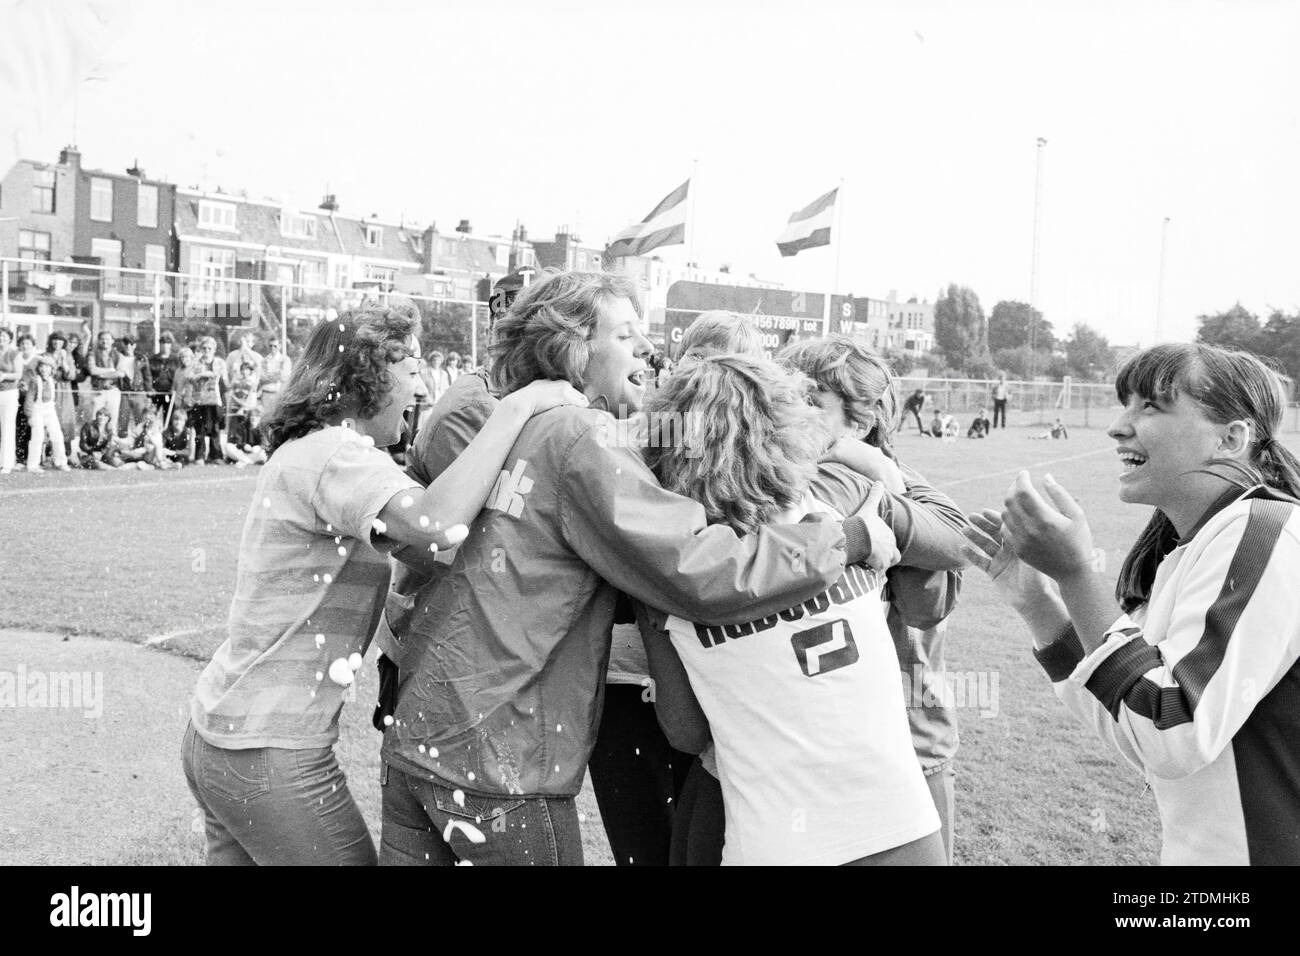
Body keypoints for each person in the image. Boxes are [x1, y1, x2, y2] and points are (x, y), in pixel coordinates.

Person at [379, 271, 881, 867]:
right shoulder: (580, 435)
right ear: (573, 347)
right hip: (499, 759)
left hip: (423, 736)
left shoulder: (517, 421)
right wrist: (841, 541)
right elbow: (694, 568)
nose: (649, 348)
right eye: (626, 334)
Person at [183, 305, 587, 866]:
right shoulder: (337, 455)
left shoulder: (314, 453)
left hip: (222, 736)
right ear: (367, 376)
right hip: (268, 747)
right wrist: (516, 408)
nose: (420, 385)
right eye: (411, 368)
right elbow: (436, 525)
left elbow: (431, 549)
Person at [963, 343, 1300, 865]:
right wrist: (1038, 602)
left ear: (1232, 438)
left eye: (1151, 406)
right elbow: (1136, 727)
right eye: (1127, 405)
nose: (1119, 426)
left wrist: (1077, 574)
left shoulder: (1266, 533)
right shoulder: (1191, 548)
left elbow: (1173, 730)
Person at [637, 353, 943, 865]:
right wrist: (883, 472)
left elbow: (686, 732)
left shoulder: (667, 575)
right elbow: (953, 541)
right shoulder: (845, 509)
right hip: (903, 829)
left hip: (779, 842)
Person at [781, 334, 969, 862]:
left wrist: (885, 483)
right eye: (786, 397)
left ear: (860, 424)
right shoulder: (802, 481)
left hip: (911, 742)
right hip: (834, 744)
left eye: (811, 403)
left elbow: (928, 601)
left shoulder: (900, 490)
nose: (791, 413)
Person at [22, 356, 72, 472]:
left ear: (51, 369)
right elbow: (29, 398)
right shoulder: (35, 380)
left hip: (50, 409)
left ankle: (60, 462)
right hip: (37, 409)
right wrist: (29, 415)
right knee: (38, 436)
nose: (44, 369)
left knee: (57, 436)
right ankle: (33, 465)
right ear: (38, 368)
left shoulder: (52, 380)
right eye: (42, 367)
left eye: (47, 367)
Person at [189, 336, 228, 462]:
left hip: (216, 399)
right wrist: (202, 375)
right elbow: (189, 377)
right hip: (199, 400)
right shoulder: (195, 362)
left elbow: (224, 380)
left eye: (209, 348)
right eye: (204, 348)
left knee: (215, 427)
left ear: (214, 349)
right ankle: (199, 456)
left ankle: (215, 455)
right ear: (201, 349)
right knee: (200, 428)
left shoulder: (220, 362)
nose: (206, 351)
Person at [87, 330, 127, 436]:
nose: (105, 341)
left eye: (107, 339)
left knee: (112, 419)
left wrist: (101, 374)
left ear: (112, 341)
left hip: (113, 391)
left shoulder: (118, 355)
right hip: (98, 391)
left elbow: (121, 373)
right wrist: (111, 371)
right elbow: (92, 370)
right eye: (102, 339)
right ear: (99, 341)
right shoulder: (93, 353)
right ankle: (94, 442)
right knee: (96, 418)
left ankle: (110, 445)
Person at [0, 328, 21, 474]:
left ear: (9, 339)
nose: (1, 339)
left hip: (9, 393)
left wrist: (4, 376)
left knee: (7, 427)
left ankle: (7, 464)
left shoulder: (14, 354)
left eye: (4, 336)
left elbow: (18, 374)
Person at [149, 332, 180, 415]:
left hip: (170, 393)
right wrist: (150, 388)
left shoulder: (176, 360)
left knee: (169, 418)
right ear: (160, 344)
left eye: (168, 343)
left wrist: (176, 389)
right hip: (155, 393)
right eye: (163, 343)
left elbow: (179, 376)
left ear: (171, 344)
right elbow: (148, 376)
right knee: (151, 417)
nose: (165, 345)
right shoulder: (152, 359)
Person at [259, 338, 291, 419]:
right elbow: (261, 377)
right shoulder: (264, 360)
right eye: (270, 346)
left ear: (279, 346)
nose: (272, 348)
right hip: (266, 394)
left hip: (279, 393)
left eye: (275, 346)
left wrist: (269, 376)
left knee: (278, 418)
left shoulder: (284, 360)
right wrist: (276, 375)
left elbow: (284, 376)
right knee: (266, 418)